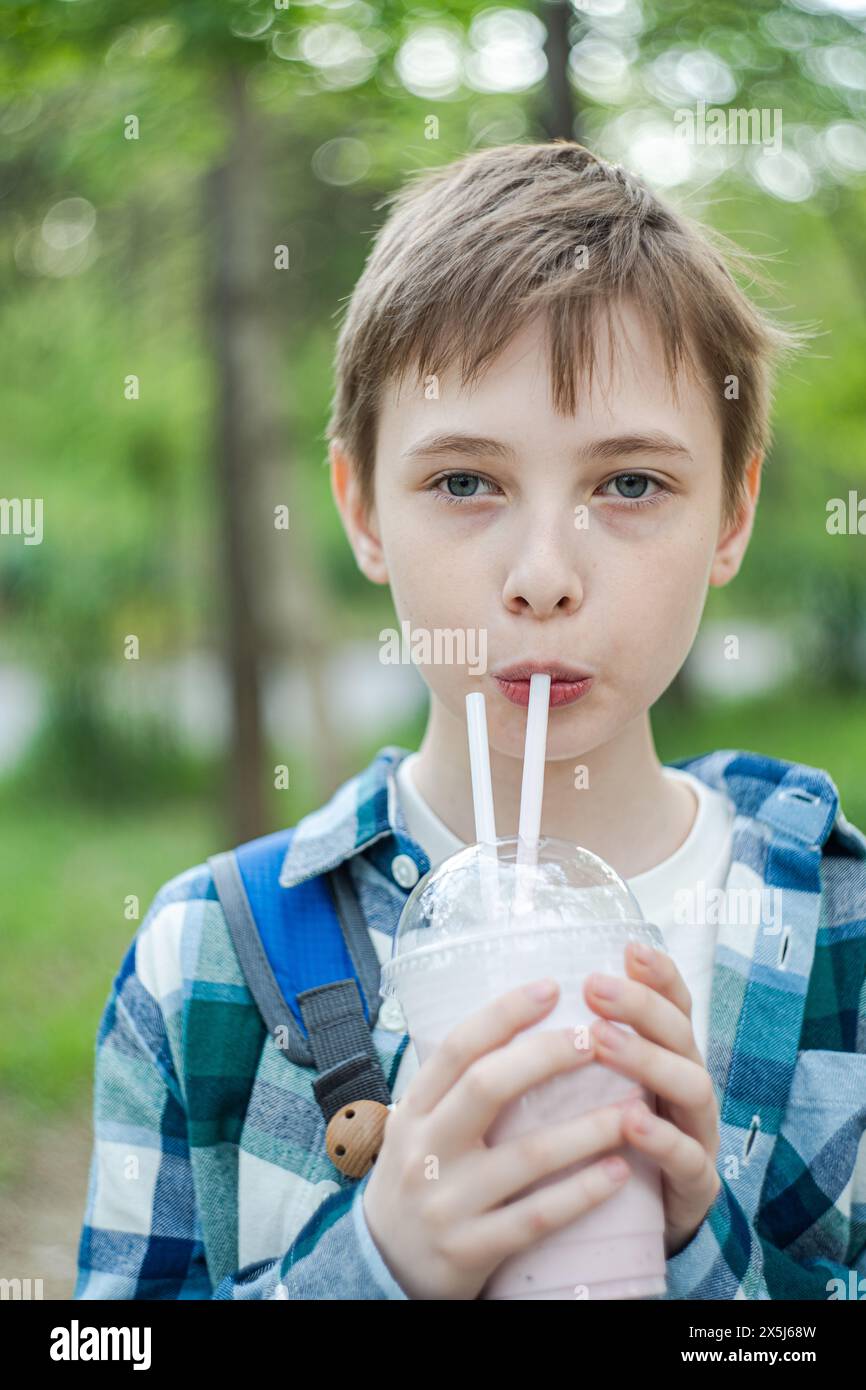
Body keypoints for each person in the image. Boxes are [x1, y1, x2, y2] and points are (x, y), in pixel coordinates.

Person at [74, 141, 866, 1301]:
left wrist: (699, 1249)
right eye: (463, 482)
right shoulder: (206, 961)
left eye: (628, 484)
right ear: (361, 509)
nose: (542, 575)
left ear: (731, 515)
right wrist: (374, 1265)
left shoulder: (842, 929)